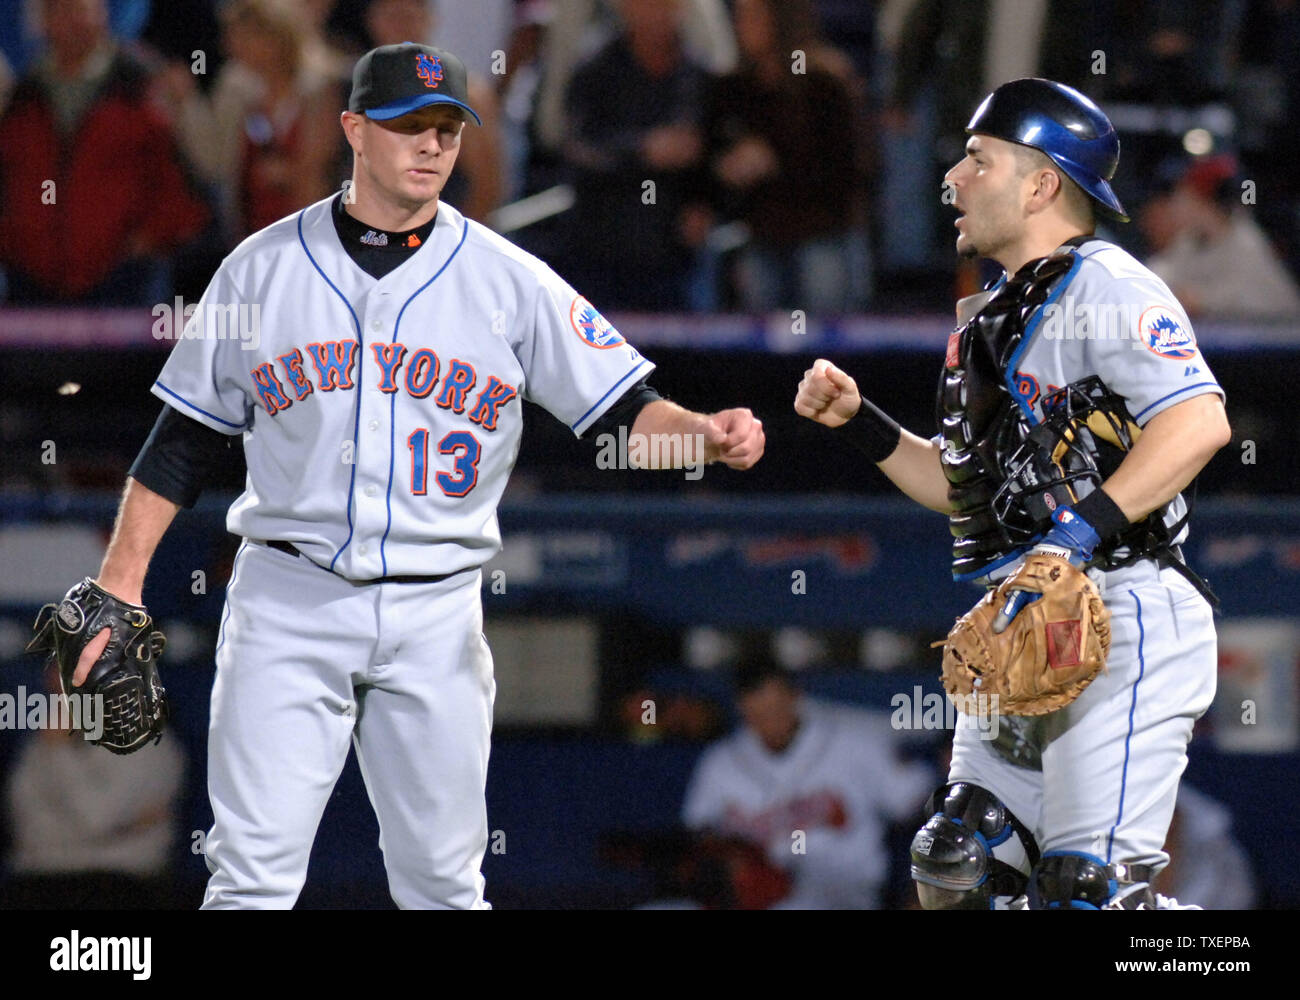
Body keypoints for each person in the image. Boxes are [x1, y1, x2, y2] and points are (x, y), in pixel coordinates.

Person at [54, 41, 765, 910]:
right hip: (288, 598)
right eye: (407, 126)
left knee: (443, 885)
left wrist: (702, 434)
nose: (431, 146)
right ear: (353, 129)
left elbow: (623, 414)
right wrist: (122, 582)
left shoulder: (508, 281)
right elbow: (181, 442)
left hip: (438, 608)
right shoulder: (263, 268)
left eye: (447, 129)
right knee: (249, 881)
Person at [794, 78, 1231, 910]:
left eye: (977, 158)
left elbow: (1199, 423)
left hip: (1125, 610)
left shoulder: (1107, 282)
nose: (952, 177)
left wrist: (1074, 535)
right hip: (1028, 618)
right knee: (956, 862)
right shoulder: (990, 314)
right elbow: (964, 496)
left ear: (1041, 183)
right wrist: (862, 423)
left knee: (1084, 895)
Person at [0, 0, 209, 304]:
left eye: (83, 8)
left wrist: (151, 239)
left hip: (127, 287)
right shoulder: (24, 97)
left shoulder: (144, 86)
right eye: (60, 10)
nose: (75, 21)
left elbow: (185, 185)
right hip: (33, 290)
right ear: (43, 21)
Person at [682, 659, 933, 909]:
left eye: (776, 709)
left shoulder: (853, 742)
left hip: (847, 889)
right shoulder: (720, 761)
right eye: (759, 714)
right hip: (761, 894)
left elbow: (917, 799)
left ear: (795, 698)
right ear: (742, 708)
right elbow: (699, 831)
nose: (770, 721)